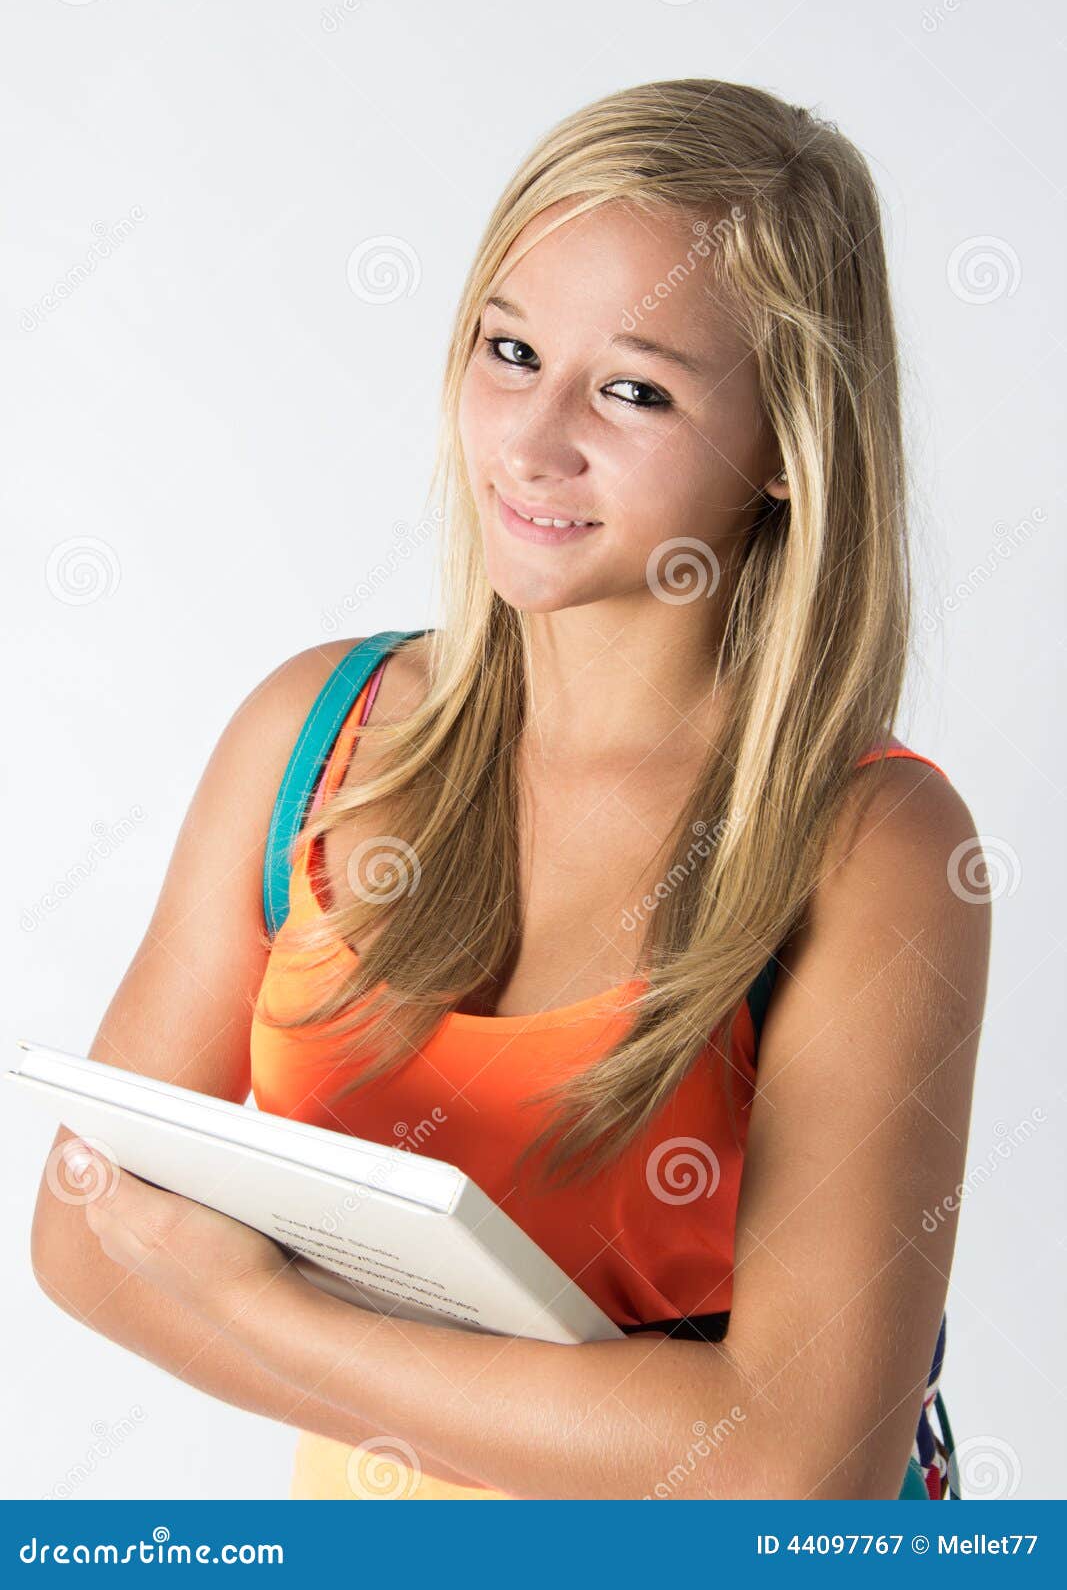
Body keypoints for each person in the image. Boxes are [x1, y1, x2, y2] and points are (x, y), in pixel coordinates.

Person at [31, 78, 989, 1501]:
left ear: (792, 444)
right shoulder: (317, 730)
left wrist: (254, 1305)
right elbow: (79, 1235)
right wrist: (634, 1411)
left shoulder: (875, 845)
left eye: (635, 389)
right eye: (509, 348)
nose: (533, 445)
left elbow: (798, 1463)